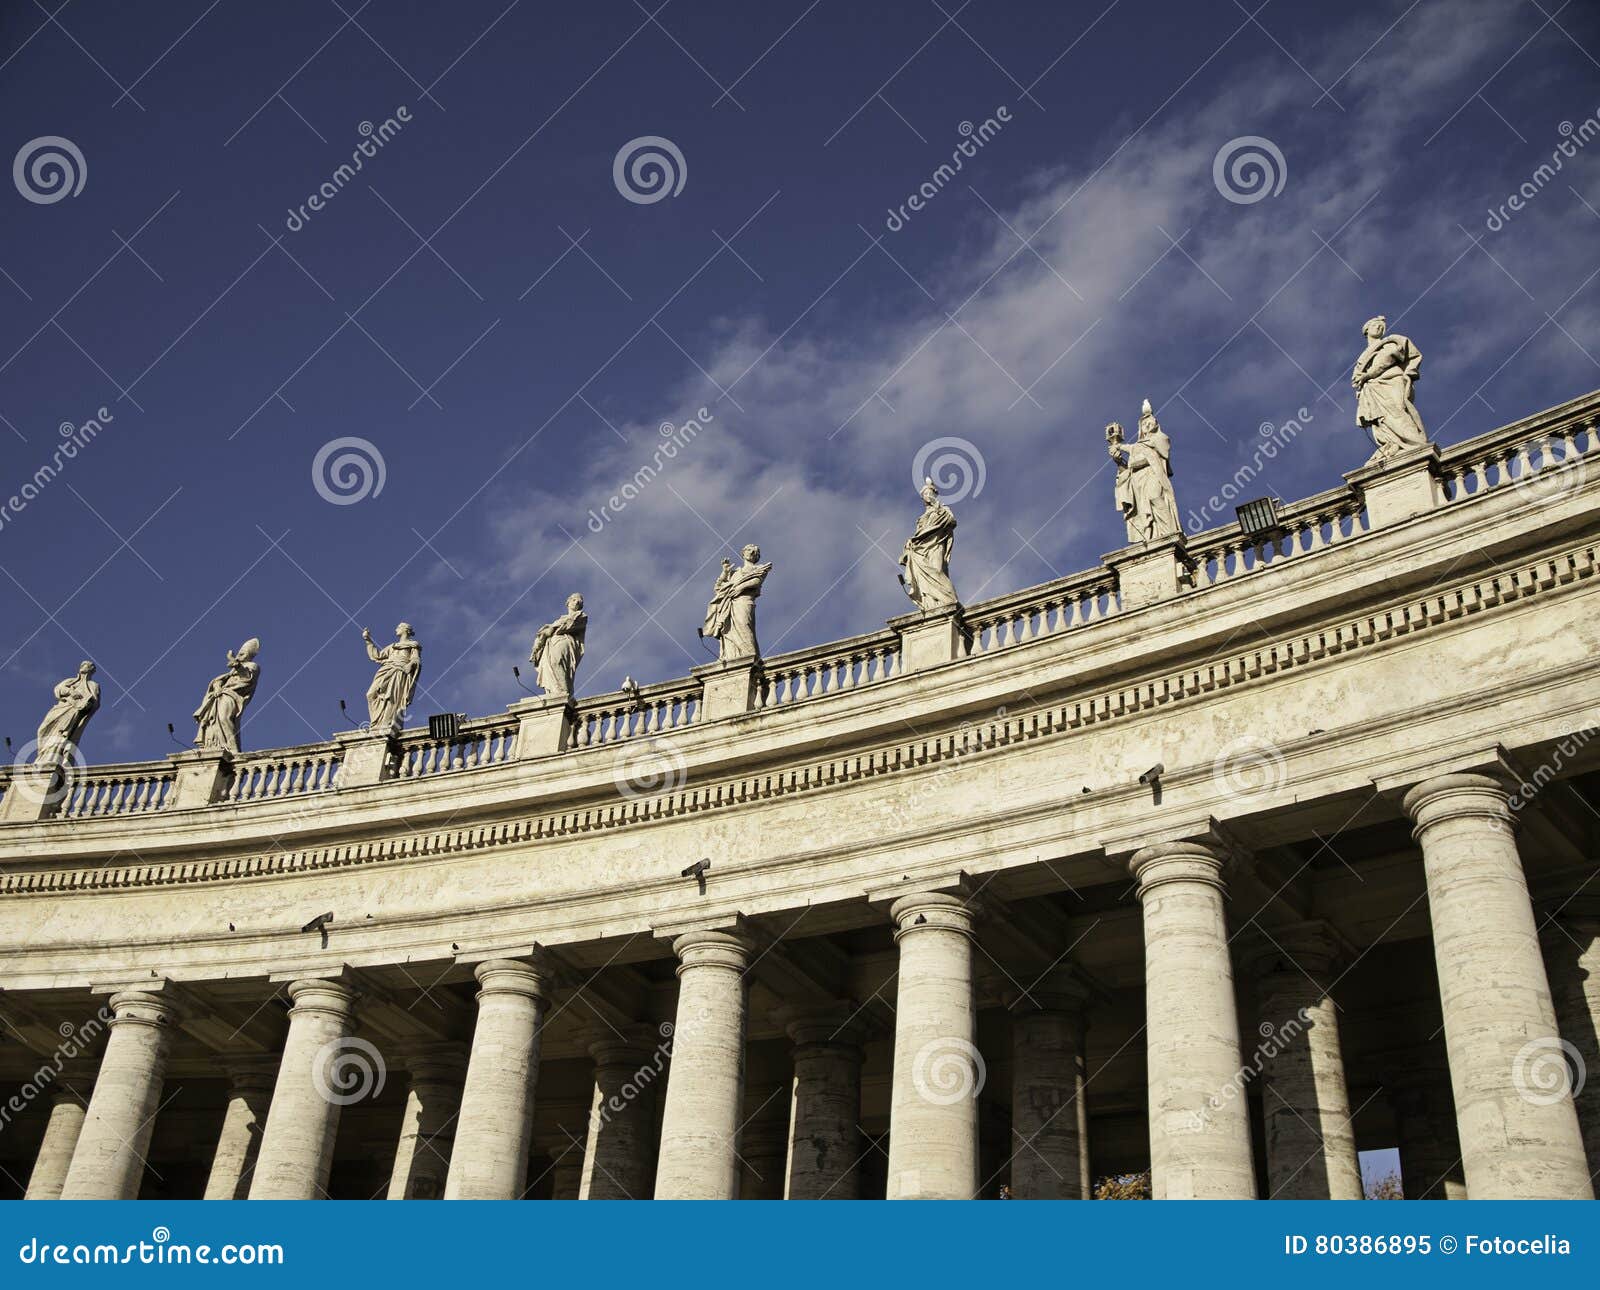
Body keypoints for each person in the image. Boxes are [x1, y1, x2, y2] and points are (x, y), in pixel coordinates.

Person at [1351, 315, 1426, 465]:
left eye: (1381, 326)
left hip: (1391, 380)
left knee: (1398, 410)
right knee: (1381, 420)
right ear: (1366, 331)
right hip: (1372, 387)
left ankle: (1414, 443)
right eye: (1375, 325)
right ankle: (1391, 444)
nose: (1379, 327)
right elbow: (1356, 377)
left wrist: (1368, 375)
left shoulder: (1389, 342)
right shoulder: (1362, 356)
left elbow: (1388, 358)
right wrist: (1361, 382)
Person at [1109, 399, 1180, 544]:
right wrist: (1117, 452)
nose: (1147, 425)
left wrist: (1134, 460)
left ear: (1155, 425)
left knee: (1155, 497)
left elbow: (1156, 456)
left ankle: (1169, 532)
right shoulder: (1138, 445)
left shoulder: (1161, 438)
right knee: (1142, 508)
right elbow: (1128, 456)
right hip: (1139, 480)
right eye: (1144, 424)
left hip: (1153, 475)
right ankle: (1149, 535)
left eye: (1150, 423)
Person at [701, 546, 772, 661]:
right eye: (749, 550)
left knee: (744, 626)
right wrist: (725, 572)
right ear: (743, 553)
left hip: (744, 602)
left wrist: (740, 588)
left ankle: (750, 657)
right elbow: (718, 588)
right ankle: (731, 657)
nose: (752, 552)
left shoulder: (759, 568)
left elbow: (757, 581)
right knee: (728, 630)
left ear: (757, 557)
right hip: (730, 604)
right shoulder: (735, 573)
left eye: (755, 551)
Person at [899, 477, 959, 609]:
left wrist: (937, 506)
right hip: (921, 548)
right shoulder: (921, 518)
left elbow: (951, 521)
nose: (927, 496)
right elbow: (918, 534)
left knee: (937, 571)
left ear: (934, 495)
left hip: (936, 544)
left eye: (929, 493)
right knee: (922, 578)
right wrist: (910, 542)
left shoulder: (943, 509)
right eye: (925, 494)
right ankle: (930, 605)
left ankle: (948, 600)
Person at [193, 639, 261, 754]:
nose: (239, 656)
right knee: (213, 720)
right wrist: (218, 687)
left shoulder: (252, 666)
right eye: (239, 653)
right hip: (220, 695)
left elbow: (247, 677)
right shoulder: (232, 671)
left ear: (249, 654)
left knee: (224, 717)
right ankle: (214, 745)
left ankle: (232, 748)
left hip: (232, 696)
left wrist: (236, 664)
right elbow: (217, 681)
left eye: (242, 654)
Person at [34, 661, 100, 765]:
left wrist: (87, 705)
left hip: (73, 711)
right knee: (42, 729)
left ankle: (52, 757)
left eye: (86, 665)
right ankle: (42, 754)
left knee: (61, 733)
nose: (82, 666)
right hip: (60, 708)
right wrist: (70, 692)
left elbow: (95, 703)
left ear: (91, 670)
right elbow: (58, 690)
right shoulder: (70, 681)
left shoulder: (93, 685)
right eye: (82, 665)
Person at [363, 622, 422, 735]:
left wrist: (410, 665)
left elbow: (416, 659)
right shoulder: (392, 646)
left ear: (406, 630)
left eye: (399, 627)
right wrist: (368, 640)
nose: (396, 629)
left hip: (399, 671)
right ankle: (376, 721)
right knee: (371, 694)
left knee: (391, 697)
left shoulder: (413, 645)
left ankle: (386, 723)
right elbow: (377, 656)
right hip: (386, 670)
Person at [530, 594, 587, 698]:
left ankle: (562, 691)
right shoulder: (560, 619)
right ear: (568, 603)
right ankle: (555, 692)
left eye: (579, 601)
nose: (577, 602)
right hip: (552, 643)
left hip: (566, 641)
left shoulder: (581, 616)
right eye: (574, 600)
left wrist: (551, 629)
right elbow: (544, 634)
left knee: (557, 661)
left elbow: (568, 626)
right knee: (551, 665)